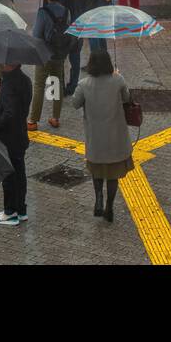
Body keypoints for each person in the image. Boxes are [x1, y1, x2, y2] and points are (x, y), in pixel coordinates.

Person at [68, 50, 132, 222]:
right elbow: (127, 98)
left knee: (97, 171)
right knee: (113, 175)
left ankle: (98, 198)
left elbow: (75, 103)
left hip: (95, 139)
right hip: (115, 138)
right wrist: (119, 77)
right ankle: (109, 207)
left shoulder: (84, 84)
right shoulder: (118, 80)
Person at [0, 61, 31, 226]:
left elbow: (10, 112)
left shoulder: (10, 84)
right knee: (20, 173)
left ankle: (9, 212)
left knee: (8, 175)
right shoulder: (25, 80)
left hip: (8, 138)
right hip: (21, 135)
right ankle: (21, 210)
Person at [28, 0, 71, 130]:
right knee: (57, 84)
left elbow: (36, 35)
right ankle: (55, 118)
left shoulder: (43, 12)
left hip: (44, 55)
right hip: (59, 54)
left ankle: (33, 121)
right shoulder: (66, 12)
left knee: (39, 86)